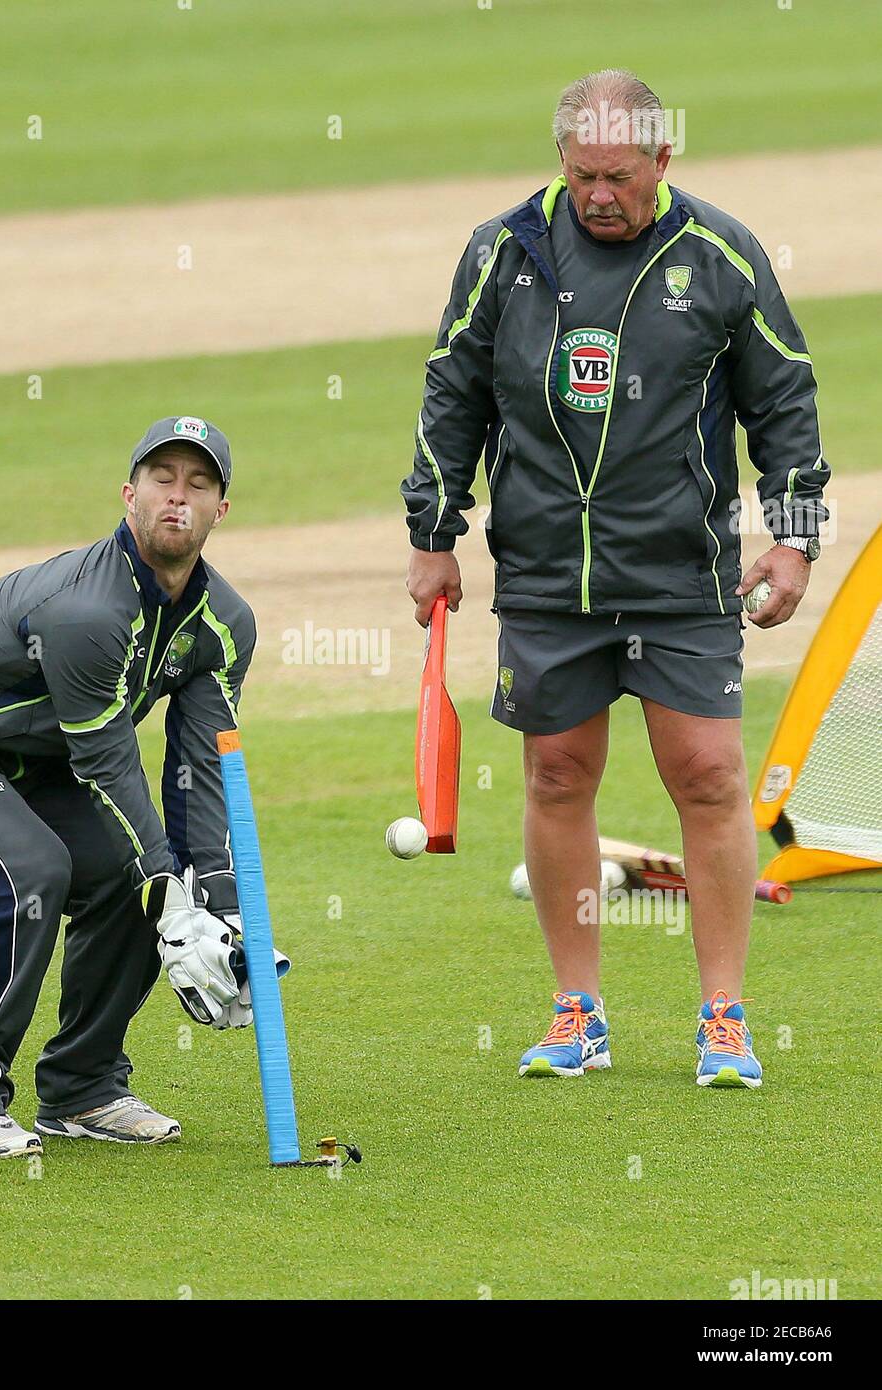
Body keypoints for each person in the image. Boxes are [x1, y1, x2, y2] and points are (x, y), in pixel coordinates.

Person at [401, 71, 829, 1089]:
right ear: (562, 160)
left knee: (711, 776)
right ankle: (576, 1011)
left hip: (680, 571)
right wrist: (431, 530)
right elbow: (451, 388)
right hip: (548, 569)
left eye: (619, 176)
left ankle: (722, 1018)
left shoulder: (720, 255)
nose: (600, 193)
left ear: (661, 161)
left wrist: (795, 535)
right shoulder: (504, 252)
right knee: (556, 774)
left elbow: (784, 403)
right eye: (583, 173)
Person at [0, 415, 270, 1156]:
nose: (179, 497)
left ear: (220, 510)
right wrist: (167, 884)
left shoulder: (223, 623)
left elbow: (199, 766)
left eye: (199, 484)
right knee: (31, 873)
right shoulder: (88, 610)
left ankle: (83, 1088)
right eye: (162, 479)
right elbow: (106, 759)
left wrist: (222, 907)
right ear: (128, 494)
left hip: (26, 759)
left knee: (131, 870)